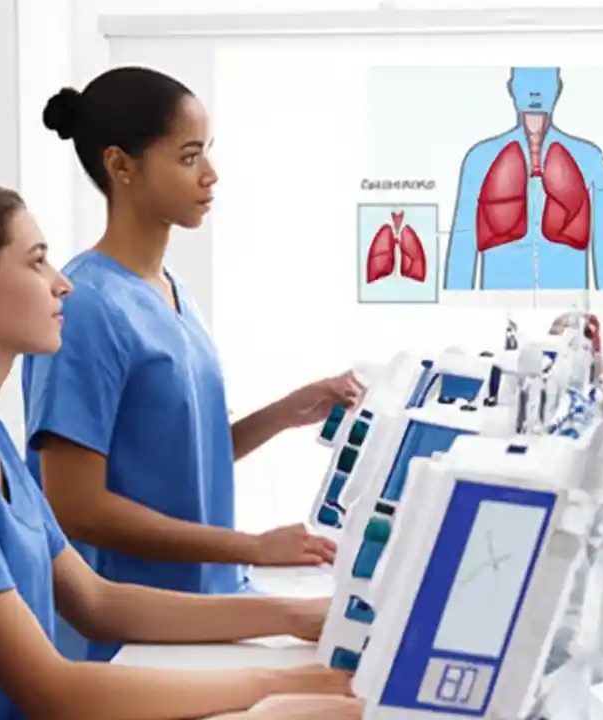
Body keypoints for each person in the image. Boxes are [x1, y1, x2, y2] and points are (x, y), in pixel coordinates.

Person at [0, 179, 359, 719]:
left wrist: (293, 617)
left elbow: (97, 602)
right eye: (36, 263)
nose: (62, 285)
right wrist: (272, 684)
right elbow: (49, 689)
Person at [23, 66, 363, 662]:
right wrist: (250, 546)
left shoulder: (172, 292)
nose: (210, 175)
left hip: (204, 611)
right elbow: (76, 504)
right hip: (132, 634)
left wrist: (284, 413)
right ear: (121, 166)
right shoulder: (88, 306)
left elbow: (175, 458)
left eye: (207, 153)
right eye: (187, 157)